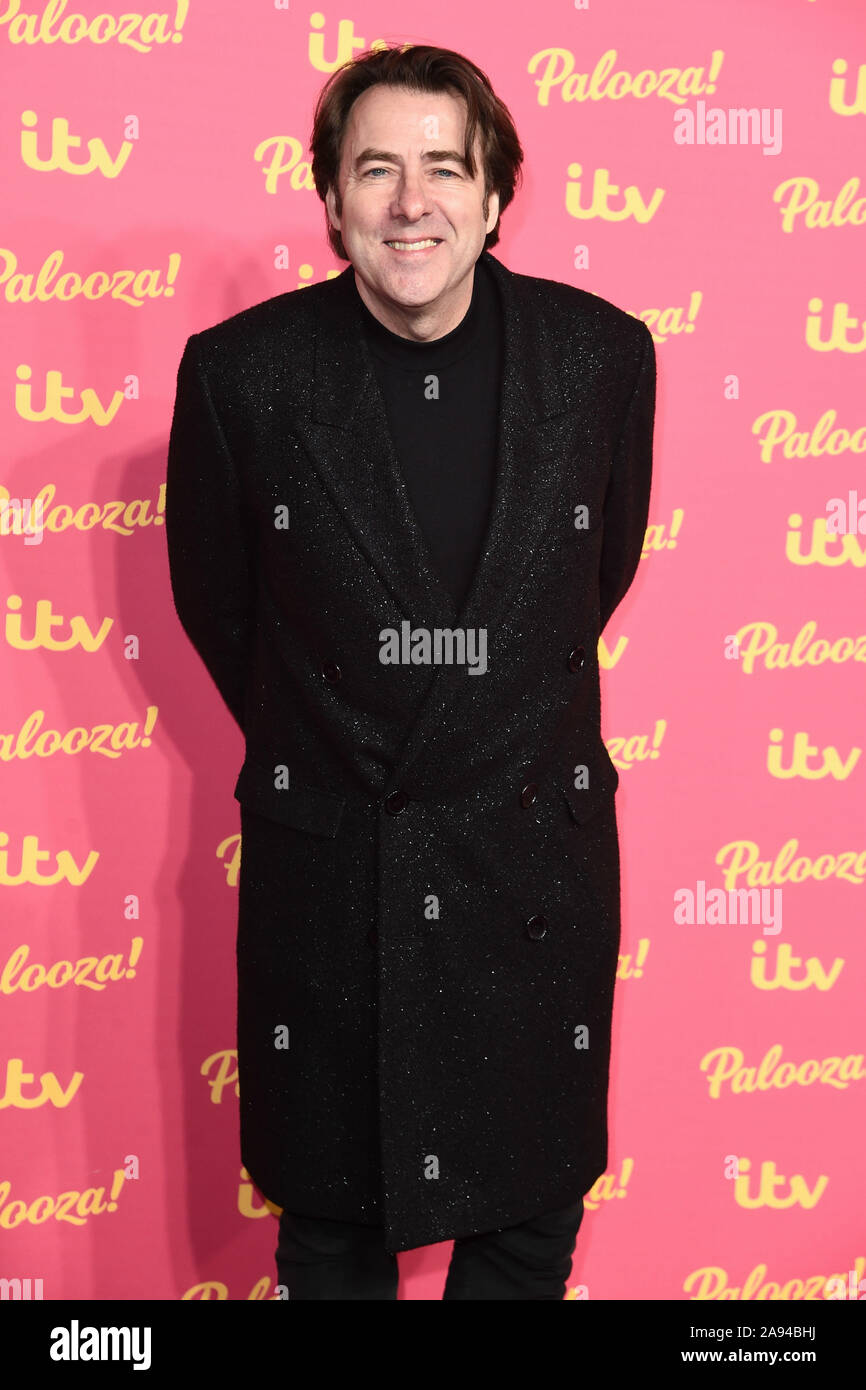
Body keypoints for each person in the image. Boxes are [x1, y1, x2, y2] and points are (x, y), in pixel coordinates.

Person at [165, 43, 656, 1299]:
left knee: (528, 1219)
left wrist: (476, 707)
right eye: (373, 167)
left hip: (530, 857)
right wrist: (350, 726)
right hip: (331, 862)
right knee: (329, 1230)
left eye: (445, 166)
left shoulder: (604, 356)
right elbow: (224, 612)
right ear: (328, 197)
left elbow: (581, 590)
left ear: (496, 196)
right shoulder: (240, 375)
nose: (409, 201)